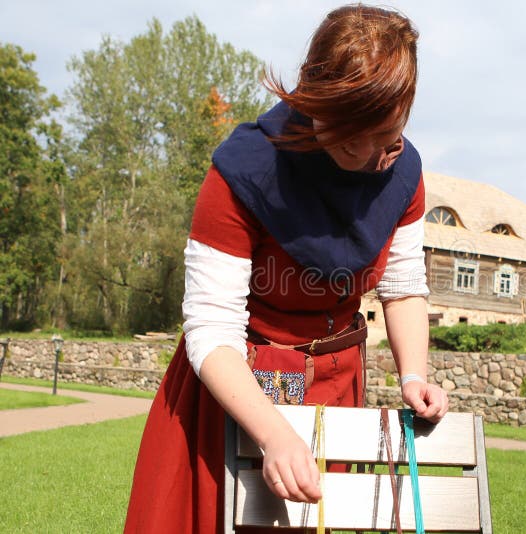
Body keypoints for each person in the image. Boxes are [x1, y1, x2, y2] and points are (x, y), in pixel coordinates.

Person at [124, 4, 449, 532]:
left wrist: (414, 375)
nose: (374, 154)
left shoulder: (401, 171)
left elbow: (404, 285)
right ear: (317, 103)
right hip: (236, 392)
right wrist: (273, 433)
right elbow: (210, 328)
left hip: (336, 389)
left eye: (388, 132)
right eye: (352, 136)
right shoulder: (244, 172)